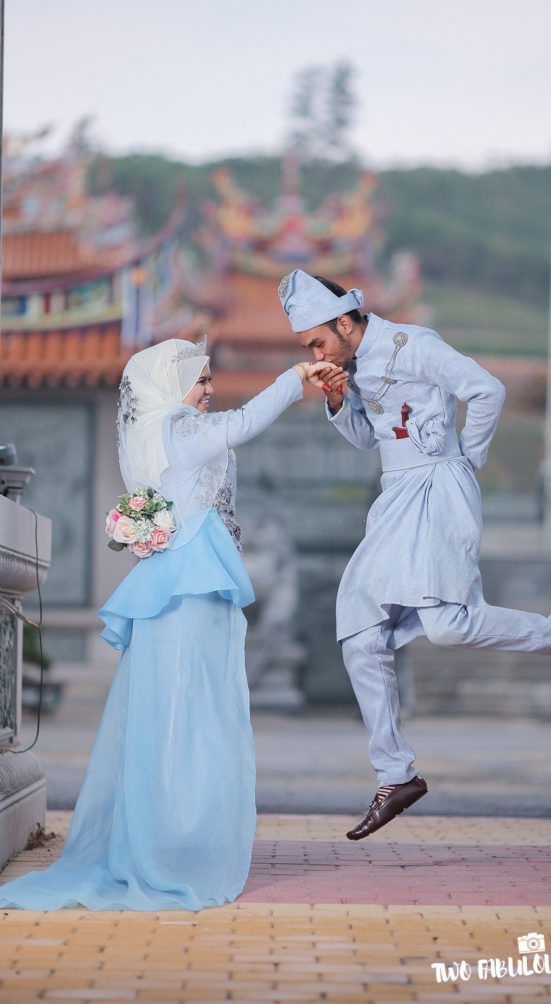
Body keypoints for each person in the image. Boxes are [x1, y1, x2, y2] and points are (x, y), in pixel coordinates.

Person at [0, 338, 339, 910]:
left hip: (179, 581)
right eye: (200, 379)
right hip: (188, 586)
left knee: (175, 710)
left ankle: (170, 838)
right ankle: (171, 846)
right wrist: (296, 376)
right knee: (186, 709)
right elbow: (244, 423)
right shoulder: (178, 430)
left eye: (209, 378)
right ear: (169, 383)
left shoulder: (157, 431)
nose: (209, 389)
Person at [278, 269, 551, 842]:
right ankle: (395, 774)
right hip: (395, 497)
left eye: (317, 342)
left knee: (450, 627)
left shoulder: (413, 344)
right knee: (359, 631)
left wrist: (464, 462)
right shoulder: (353, 368)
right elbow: (368, 439)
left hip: (437, 488)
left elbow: (487, 390)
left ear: (343, 322)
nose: (315, 355)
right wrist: (337, 398)